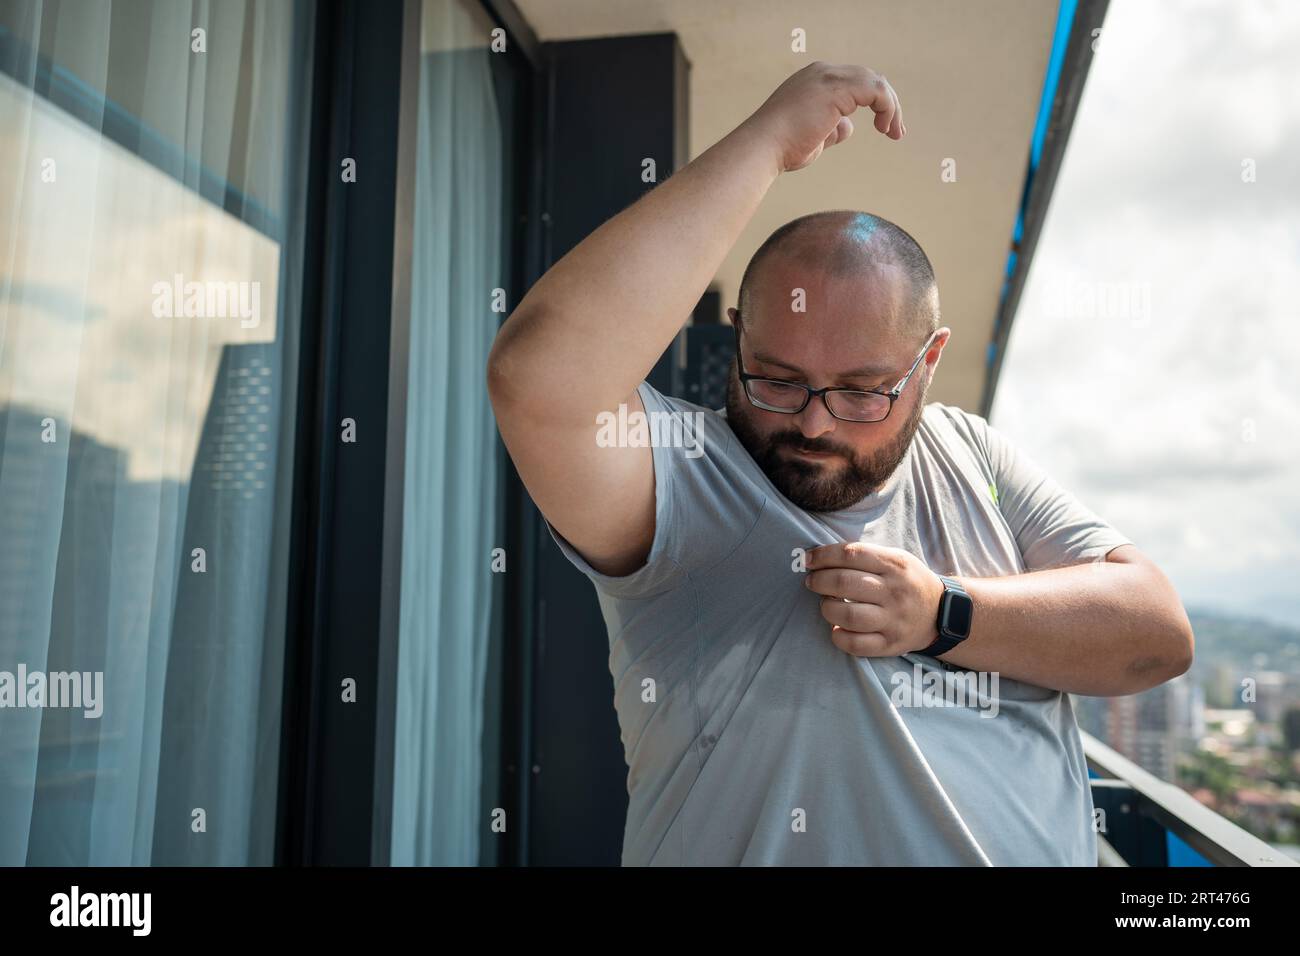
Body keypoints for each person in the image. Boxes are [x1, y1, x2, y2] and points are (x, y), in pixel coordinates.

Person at [487, 62, 1193, 865]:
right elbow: (537, 379)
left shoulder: (969, 450)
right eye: (778, 380)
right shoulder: (684, 475)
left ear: (928, 363)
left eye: (862, 390)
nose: (814, 424)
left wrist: (944, 614)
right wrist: (763, 147)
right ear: (736, 336)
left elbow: (1156, 635)